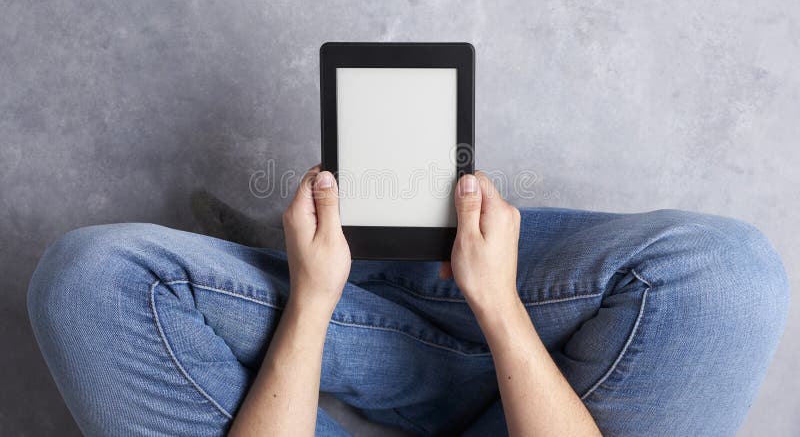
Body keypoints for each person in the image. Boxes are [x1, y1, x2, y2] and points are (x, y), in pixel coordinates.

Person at [27, 167, 789, 436]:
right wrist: (498, 305)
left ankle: (342, 271)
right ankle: (423, 289)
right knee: (726, 277)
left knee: (87, 281)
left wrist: (313, 301)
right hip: (543, 403)